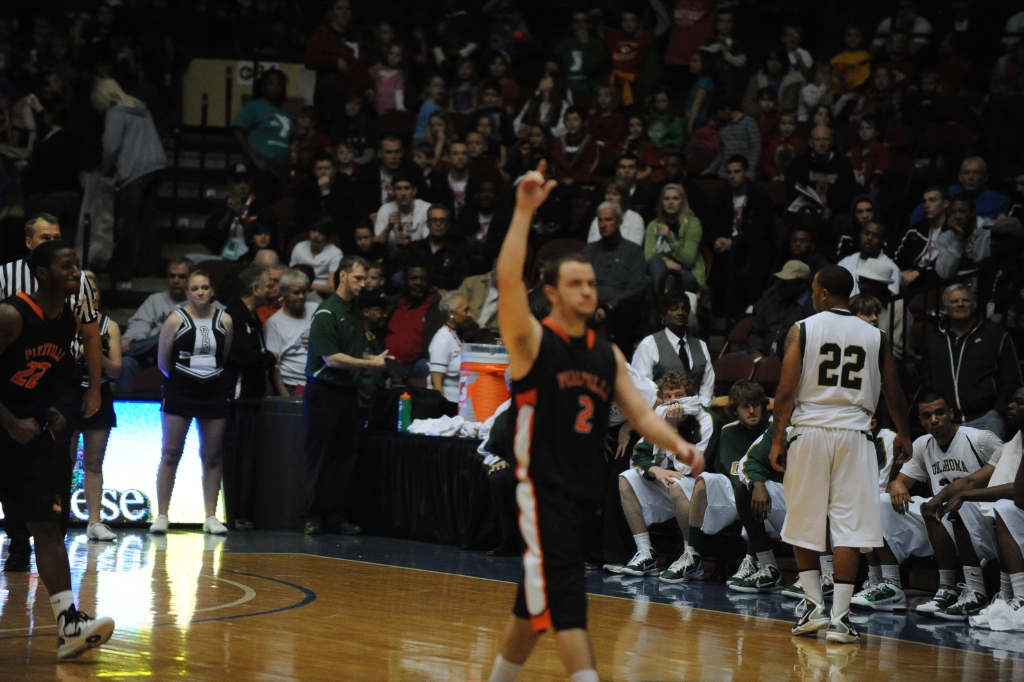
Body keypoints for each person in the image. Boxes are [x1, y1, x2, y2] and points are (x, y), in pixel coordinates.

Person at [485, 159, 700, 682]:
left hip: (580, 491)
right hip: (540, 489)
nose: (587, 290)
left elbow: (642, 415)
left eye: (591, 282)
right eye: (575, 283)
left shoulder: (607, 355)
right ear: (552, 293)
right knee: (567, 600)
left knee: (533, 608)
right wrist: (523, 210)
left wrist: (681, 445)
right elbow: (508, 278)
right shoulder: (532, 342)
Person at [769, 265, 912, 644]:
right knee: (850, 527)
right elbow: (895, 394)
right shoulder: (877, 335)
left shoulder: (803, 329)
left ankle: (813, 606)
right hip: (855, 435)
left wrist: (777, 438)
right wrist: (904, 433)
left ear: (822, 293)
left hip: (810, 432)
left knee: (804, 520)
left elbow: (785, 391)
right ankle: (841, 619)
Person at [0, 240, 115, 659]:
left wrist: (52, 408)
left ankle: (69, 625)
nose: (76, 272)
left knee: (46, 525)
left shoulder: (66, 318)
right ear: (43, 273)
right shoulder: (12, 315)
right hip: (6, 425)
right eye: (67, 266)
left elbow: (54, 375)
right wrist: (10, 421)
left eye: (78, 265)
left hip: (25, 436)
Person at [0, 215, 102, 573]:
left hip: (50, 384)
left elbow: (91, 334)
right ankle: (18, 541)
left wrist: (93, 387)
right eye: (46, 237)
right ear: (30, 244)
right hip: (8, 392)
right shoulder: (8, 292)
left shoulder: (76, 295)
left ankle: (52, 538)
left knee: (54, 463)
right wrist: (10, 419)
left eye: (58, 236)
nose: (74, 271)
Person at [862, 393, 1002, 618]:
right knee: (879, 502)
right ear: (921, 420)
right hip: (940, 516)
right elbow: (900, 482)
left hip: (981, 514)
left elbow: (1008, 475)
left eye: (939, 413)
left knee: (959, 502)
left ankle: (970, 590)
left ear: (951, 413)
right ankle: (891, 585)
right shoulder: (922, 444)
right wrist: (896, 484)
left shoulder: (980, 439)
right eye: (927, 416)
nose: (934, 420)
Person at [304, 256, 390, 536]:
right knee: (320, 454)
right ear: (342, 276)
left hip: (347, 391)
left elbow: (352, 353)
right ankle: (312, 515)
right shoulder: (327, 312)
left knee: (345, 455)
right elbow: (332, 359)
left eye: (365, 279)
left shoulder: (353, 311)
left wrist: (373, 358)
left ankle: (336, 515)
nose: (363, 284)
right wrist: (370, 364)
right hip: (324, 390)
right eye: (358, 278)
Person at [616, 371, 720, 581]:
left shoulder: (707, 419)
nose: (673, 402)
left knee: (676, 483)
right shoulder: (660, 416)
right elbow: (638, 457)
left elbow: (691, 467)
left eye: (679, 395)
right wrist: (656, 470)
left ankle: (692, 556)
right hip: (670, 482)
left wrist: (671, 429)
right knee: (626, 478)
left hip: (705, 488)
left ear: (691, 396)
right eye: (667, 396)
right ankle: (645, 552)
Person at [152, 270, 233, 536]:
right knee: (170, 452)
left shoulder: (225, 320)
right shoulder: (175, 319)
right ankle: (162, 515)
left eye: (205, 287)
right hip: (181, 389)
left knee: (212, 455)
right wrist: (183, 378)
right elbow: (163, 361)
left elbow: (223, 356)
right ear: (187, 292)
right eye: (195, 288)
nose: (200, 292)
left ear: (212, 291)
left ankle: (210, 516)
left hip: (214, 391)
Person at [93, 77, 166, 286]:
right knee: (148, 222)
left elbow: (110, 147)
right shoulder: (140, 108)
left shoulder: (116, 113)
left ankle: (122, 271)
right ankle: (148, 268)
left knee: (127, 223)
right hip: (156, 165)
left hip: (133, 171)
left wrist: (104, 168)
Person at [927, 284, 1022, 439]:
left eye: (965, 300)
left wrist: (998, 411)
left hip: (987, 420)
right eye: (955, 301)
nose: (960, 304)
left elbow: (1013, 377)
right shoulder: (937, 341)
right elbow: (931, 382)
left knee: (992, 457)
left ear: (973, 305)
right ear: (946, 309)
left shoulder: (995, 334)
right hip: (949, 423)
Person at [69, 271, 121, 542]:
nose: (88, 294)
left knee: (93, 462)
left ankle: (94, 521)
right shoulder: (62, 322)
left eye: (92, 289)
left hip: (99, 393)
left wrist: (95, 352)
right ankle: (54, 519)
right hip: (67, 395)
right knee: (62, 461)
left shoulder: (109, 326)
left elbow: (117, 371)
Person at [706, 156, 776, 316]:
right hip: (724, 250)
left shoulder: (760, 196)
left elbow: (764, 231)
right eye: (729, 172)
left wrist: (736, 241)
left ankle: (747, 313)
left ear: (746, 172)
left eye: (737, 171)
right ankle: (720, 314)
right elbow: (710, 226)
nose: (732, 176)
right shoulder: (720, 197)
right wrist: (716, 239)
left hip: (752, 249)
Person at [582, 202, 647, 354]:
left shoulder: (633, 251)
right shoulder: (589, 250)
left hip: (619, 304)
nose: (603, 225)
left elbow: (637, 287)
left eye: (608, 220)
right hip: (591, 301)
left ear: (619, 222)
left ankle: (621, 360)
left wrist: (610, 306)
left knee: (628, 308)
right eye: (600, 220)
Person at [631, 290, 714, 405]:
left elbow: (707, 384)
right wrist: (664, 407)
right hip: (661, 409)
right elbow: (641, 385)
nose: (681, 313)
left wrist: (700, 407)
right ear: (663, 314)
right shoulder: (649, 344)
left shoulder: (701, 345)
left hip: (697, 409)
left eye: (685, 309)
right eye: (674, 309)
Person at [231, 69, 293, 203]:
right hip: (260, 169)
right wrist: (255, 160)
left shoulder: (285, 114)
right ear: (264, 86)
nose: (275, 87)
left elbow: (290, 140)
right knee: (261, 207)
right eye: (271, 83)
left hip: (279, 172)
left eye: (279, 84)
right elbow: (238, 131)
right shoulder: (254, 107)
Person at [303, 0, 370, 124]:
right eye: (340, 9)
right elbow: (309, 59)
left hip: (353, 96)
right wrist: (333, 61)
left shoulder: (355, 35)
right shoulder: (322, 33)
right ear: (331, 13)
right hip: (330, 95)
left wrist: (369, 85)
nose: (344, 12)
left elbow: (362, 64)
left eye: (347, 9)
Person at [264, 269, 318, 396]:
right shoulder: (273, 323)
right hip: (292, 386)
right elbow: (274, 366)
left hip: (318, 381)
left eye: (304, 292)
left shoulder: (315, 309)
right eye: (296, 292)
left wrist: (318, 342)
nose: (301, 296)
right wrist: (285, 397)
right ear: (284, 293)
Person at [909, 156, 1011, 224]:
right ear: (960, 177)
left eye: (977, 173)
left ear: (985, 177)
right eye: (966, 173)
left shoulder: (1000, 201)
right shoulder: (945, 194)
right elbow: (918, 216)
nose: (971, 177)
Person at [746, 261, 814, 359]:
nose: (781, 286)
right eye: (780, 281)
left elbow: (805, 343)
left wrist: (775, 360)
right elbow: (755, 332)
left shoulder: (811, 308)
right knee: (730, 359)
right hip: (761, 355)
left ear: (802, 284)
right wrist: (755, 350)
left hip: (789, 360)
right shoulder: (772, 302)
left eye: (786, 283)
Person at [644, 183, 704, 294]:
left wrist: (670, 238)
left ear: (682, 202)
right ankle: (665, 297)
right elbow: (648, 255)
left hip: (687, 273)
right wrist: (666, 262)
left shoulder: (693, 223)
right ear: (661, 202)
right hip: (661, 271)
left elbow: (688, 260)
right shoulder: (653, 225)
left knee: (654, 280)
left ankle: (664, 298)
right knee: (648, 278)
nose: (670, 202)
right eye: (666, 199)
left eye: (675, 198)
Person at [894, 185, 958, 289]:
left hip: (940, 285)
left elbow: (946, 267)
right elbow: (899, 259)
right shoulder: (915, 230)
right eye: (925, 201)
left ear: (945, 204)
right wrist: (902, 273)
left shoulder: (953, 231)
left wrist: (919, 272)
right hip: (910, 285)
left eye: (933, 200)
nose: (927, 205)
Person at [385, 261, 436, 377]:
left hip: (418, 366)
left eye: (423, 279)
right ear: (404, 280)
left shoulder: (437, 305)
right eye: (413, 278)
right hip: (391, 365)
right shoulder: (392, 302)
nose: (418, 283)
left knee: (425, 366)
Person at [408, 205, 469, 293]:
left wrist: (448, 294)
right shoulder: (414, 248)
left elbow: (462, 283)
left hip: (445, 297)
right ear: (428, 224)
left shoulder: (457, 252)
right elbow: (404, 277)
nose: (438, 224)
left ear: (448, 225)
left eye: (442, 220)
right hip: (416, 295)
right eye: (434, 220)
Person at [429, 291, 472, 403]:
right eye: (465, 310)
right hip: (448, 404)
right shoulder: (442, 340)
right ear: (451, 313)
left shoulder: (456, 335)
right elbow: (437, 385)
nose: (470, 314)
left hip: (460, 403)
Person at [703, 97, 762, 180]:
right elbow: (721, 153)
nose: (719, 116)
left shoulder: (749, 122)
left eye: (719, 113)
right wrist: (710, 169)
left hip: (743, 173)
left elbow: (756, 148)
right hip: (724, 174)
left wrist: (750, 170)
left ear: (727, 110)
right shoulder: (723, 127)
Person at [837, 222, 900, 296]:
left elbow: (892, 299)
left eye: (876, 235)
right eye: (866, 233)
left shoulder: (890, 268)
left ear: (883, 240)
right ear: (860, 234)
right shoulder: (845, 263)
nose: (869, 238)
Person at [372, 174, 432, 250]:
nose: (403, 193)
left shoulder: (426, 209)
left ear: (414, 191)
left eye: (407, 188)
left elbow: (431, 244)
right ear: (393, 192)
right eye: (399, 189)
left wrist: (409, 244)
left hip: (418, 255)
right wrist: (388, 227)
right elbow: (377, 244)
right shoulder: (385, 209)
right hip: (391, 255)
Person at [289, 216, 344, 299]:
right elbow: (289, 275)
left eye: (321, 232)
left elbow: (331, 288)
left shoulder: (335, 253)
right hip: (298, 290)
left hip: (323, 295)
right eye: (313, 230)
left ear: (327, 235)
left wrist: (306, 285)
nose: (316, 235)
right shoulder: (299, 247)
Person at [586, 180, 645, 246]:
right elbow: (591, 246)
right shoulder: (599, 218)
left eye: (615, 194)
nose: (610, 197)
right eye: (608, 193)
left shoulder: (635, 219)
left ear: (624, 197)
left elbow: (633, 248)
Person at [459, 265, 500, 332]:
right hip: (465, 328)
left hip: (491, 334)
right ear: (494, 270)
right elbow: (457, 307)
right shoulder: (471, 282)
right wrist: (473, 325)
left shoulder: (513, 293)